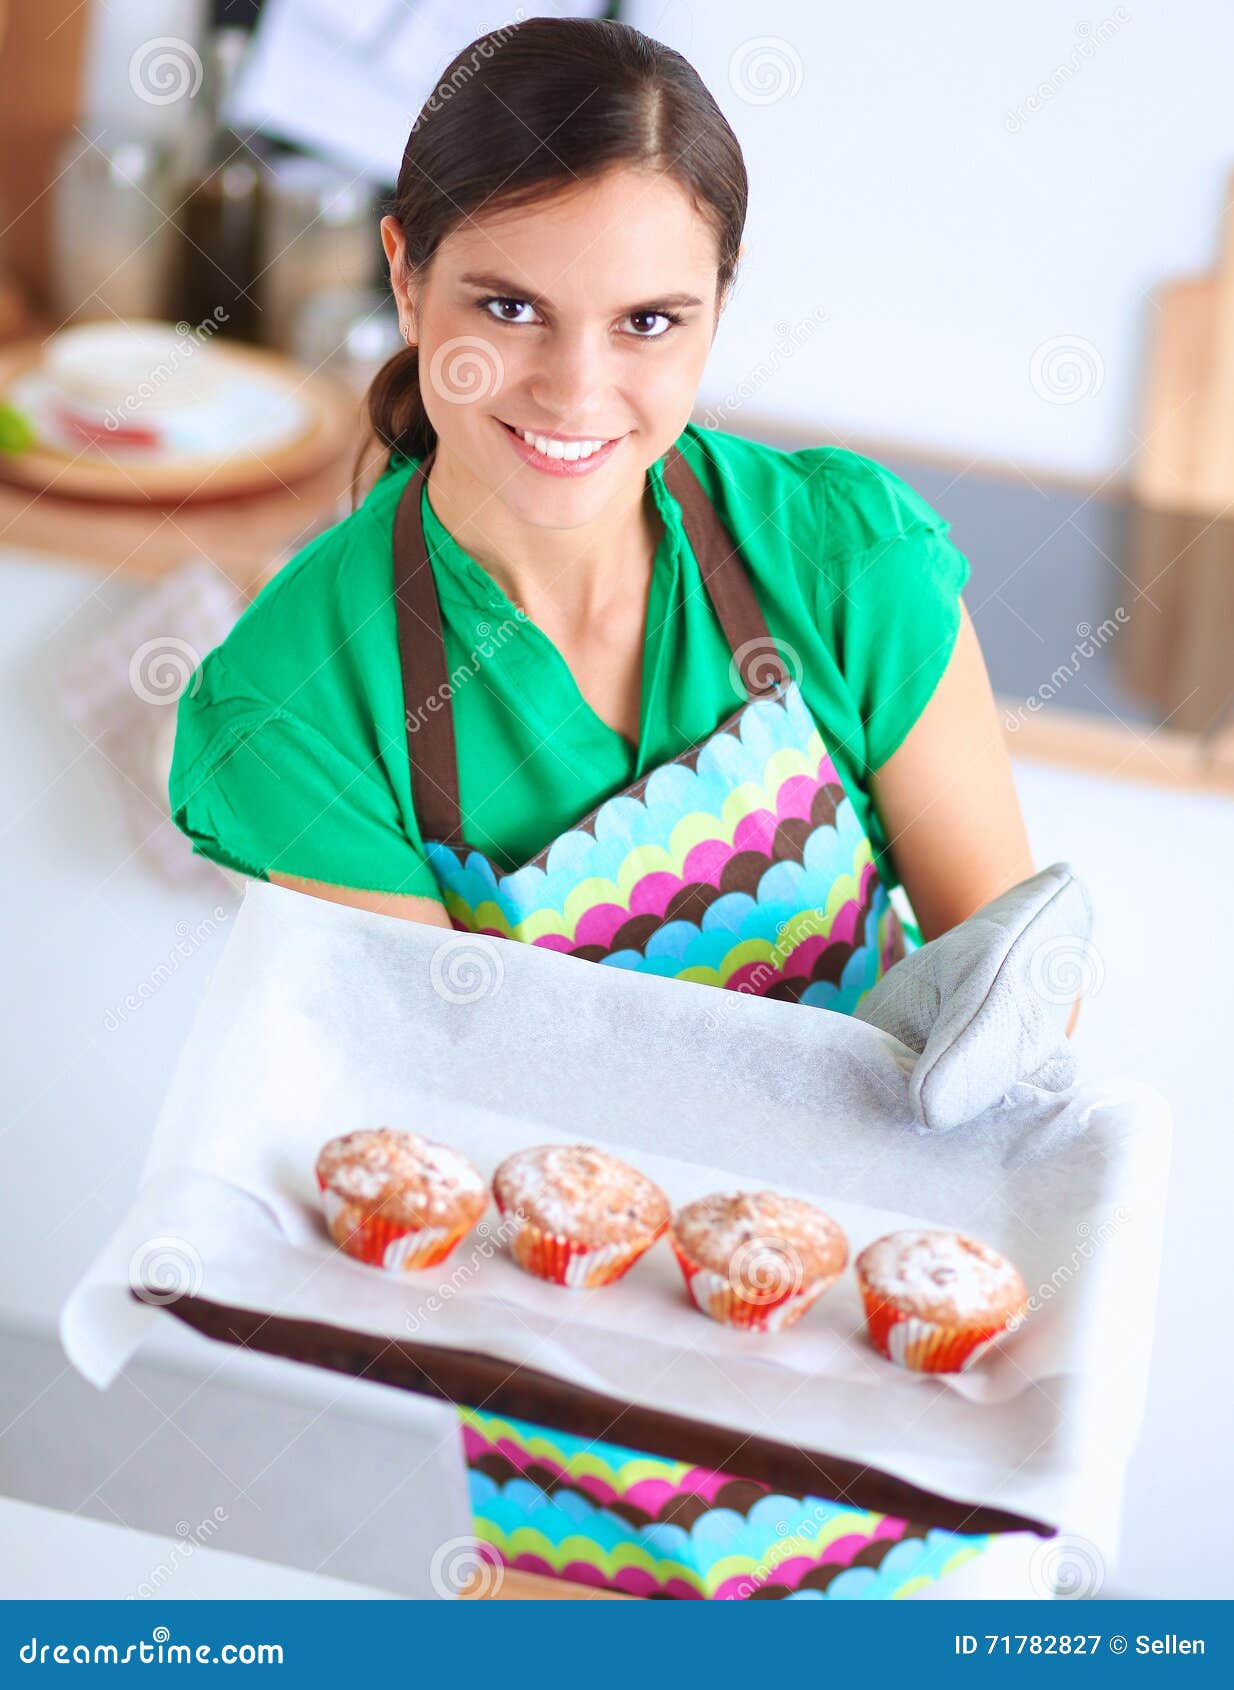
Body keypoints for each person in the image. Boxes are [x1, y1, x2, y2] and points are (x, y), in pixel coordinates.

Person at [169, 15, 1069, 1599]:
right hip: (581, 1459)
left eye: (650, 320)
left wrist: (1008, 1010)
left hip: (901, 1398)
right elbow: (442, 1153)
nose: (575, 390)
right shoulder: (304, 705)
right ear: (402, 274)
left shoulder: (835, 560)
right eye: (503, 306)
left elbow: (1011, 1003)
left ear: (719, 312)